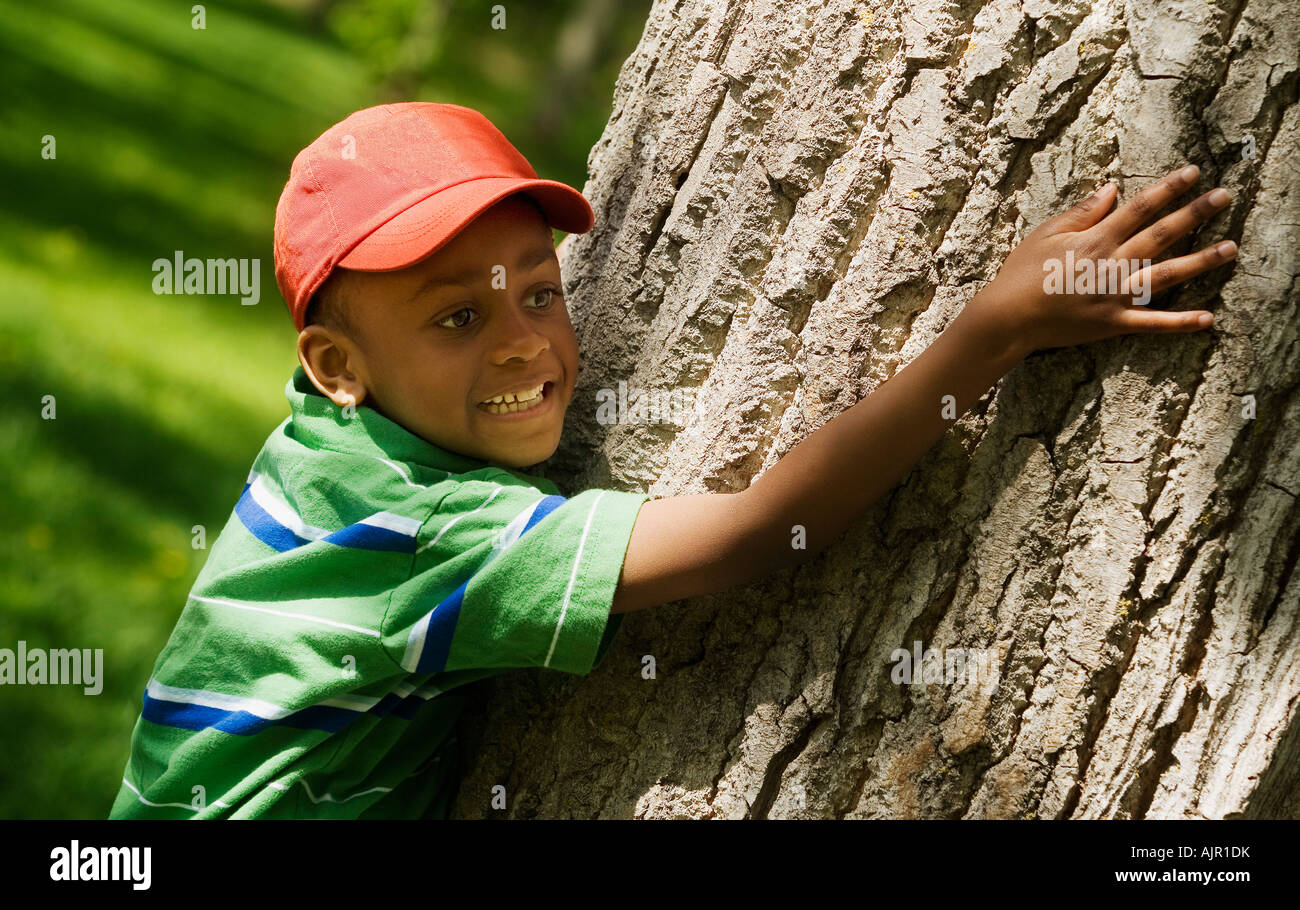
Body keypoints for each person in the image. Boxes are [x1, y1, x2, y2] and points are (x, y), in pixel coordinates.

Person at [109, 102, 1236, 818]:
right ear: (339, 362)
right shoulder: (423, 530)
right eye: (455, 320)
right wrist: (992, 330)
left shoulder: (326, 441)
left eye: (540, 292)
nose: (522, 341)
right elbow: (758, 534)